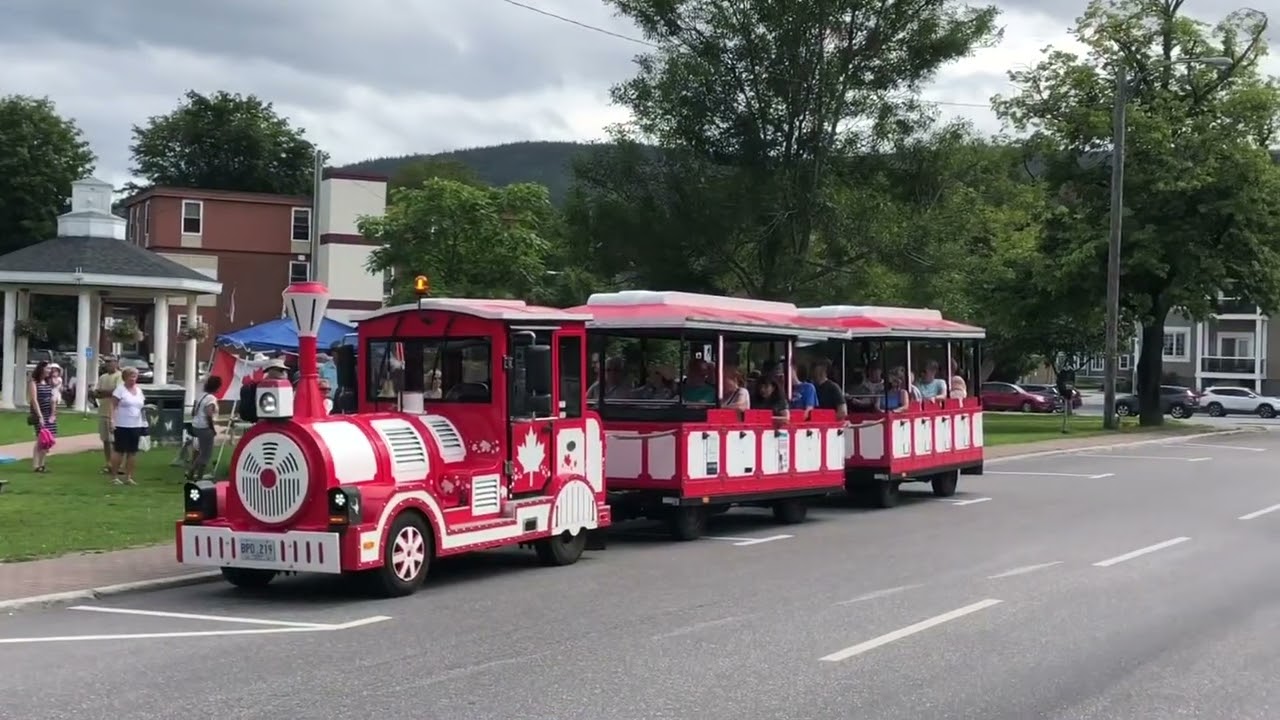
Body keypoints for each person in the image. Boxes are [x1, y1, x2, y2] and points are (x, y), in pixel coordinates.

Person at [109, 366, 147, 486]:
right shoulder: (120, 390)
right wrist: (111, 421)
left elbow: (140, 406)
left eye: (135, 377)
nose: (133, 379)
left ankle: (129, 477)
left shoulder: (139, 391)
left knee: (132, 452)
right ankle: (114, 476)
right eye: (131, 377)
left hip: (136, 424)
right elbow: (113, 406)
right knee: (119, 450)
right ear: (125, 378)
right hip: (121, 424)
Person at [187, 375, 224, 482]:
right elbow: (209, 414)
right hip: (205, 428)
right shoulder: (211, 399)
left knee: (201, 451)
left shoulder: (200, 395)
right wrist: (212, 429)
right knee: (206, 454)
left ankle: (194, 474)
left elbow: (193, 411)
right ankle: (196, 475)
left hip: (196, 425)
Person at [93, 356, 122, 473]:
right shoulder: (103, 377)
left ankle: (118, 464)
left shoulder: (120, 376)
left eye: (110, 362)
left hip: (115, 412)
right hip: (103, 411)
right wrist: (103, 393)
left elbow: (117, 392)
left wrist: (103, 392)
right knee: (105, 440)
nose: (108, 364)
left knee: (115, 440)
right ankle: (108, 463)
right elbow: (96, 393)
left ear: (116, 363)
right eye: (106, 362)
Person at [27, 361, 57, 473]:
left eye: (50, 369)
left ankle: (42, 464)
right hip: (40, 413)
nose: (49, 371)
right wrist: (40, 416)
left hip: (49, 413)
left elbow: (53, 398)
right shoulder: (34, 382)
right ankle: (36, 465)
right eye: (47, 368)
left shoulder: (48, 382)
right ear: (41, 369)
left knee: (48, 440)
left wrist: (53, 414)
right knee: (41, 439)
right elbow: (34, 400)